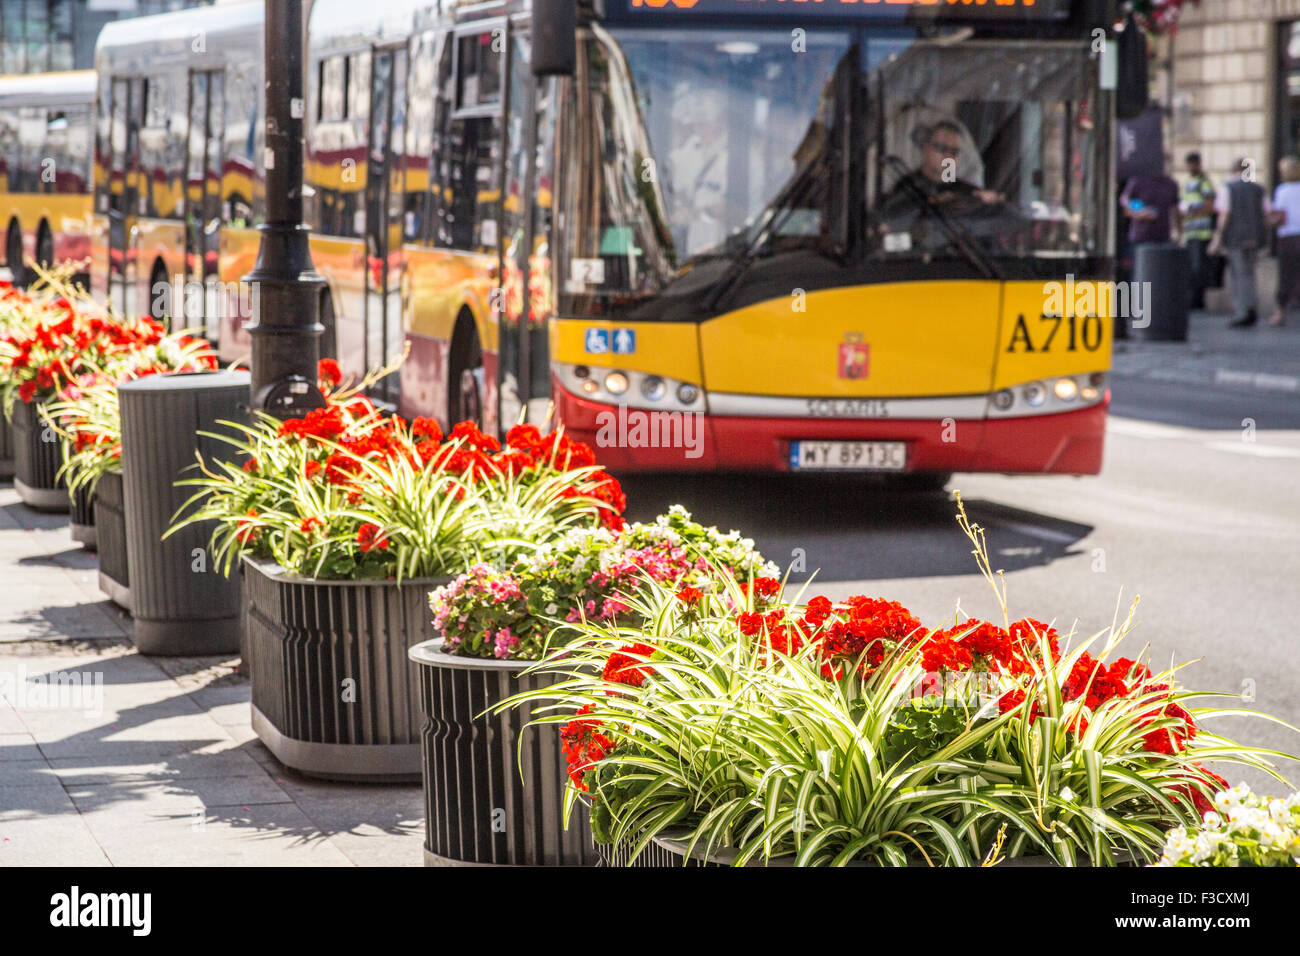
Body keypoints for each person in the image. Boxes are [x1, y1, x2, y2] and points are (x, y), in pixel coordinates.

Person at [877, 120, 1003, 221]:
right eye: (942, 148)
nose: (948, 156)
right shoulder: (906, 186)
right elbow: (894, 216)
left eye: (955, 152)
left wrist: (986, 200)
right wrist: (933, 202)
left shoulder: (966, 190)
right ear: (925, 147)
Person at [1210, 157, 1272, 328]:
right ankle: (1251, 308)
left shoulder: (1228, 188)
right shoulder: (1259, 189)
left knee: (1238, 274)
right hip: (1255, 238)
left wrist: (1217, 238)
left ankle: (1242, 311)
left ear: (1233, 170)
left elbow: (1224, 215)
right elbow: (1267, 215)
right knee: (1250, 273)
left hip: (1235, 237)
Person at [1179, 152, 1215, 310]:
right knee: (1191, 267)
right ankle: (1192, 298)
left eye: (1192, 164)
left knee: (1199, 266)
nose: (1190, 167)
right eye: (1188, 164)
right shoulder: (1187, 182)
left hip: (1202, 232)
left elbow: (1210, 206)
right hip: (1189, 231)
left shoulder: (1204, 182)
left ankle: (1198, 300)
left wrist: (1192, 211)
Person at [1121, 159, 1180, 250]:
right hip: (1142, 238)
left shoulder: (1171, 184)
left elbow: (1175, 209)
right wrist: (1141, 211)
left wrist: (1178, 231)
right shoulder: (1138, 180)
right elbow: (1127, 203)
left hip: (1164, 238)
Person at [1269, 156, 1300, 327]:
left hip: (1288, 236)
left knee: (1286, 275)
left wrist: (1269, 222)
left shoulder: (1282, 190)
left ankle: (1280, 312)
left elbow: (1280, 215)